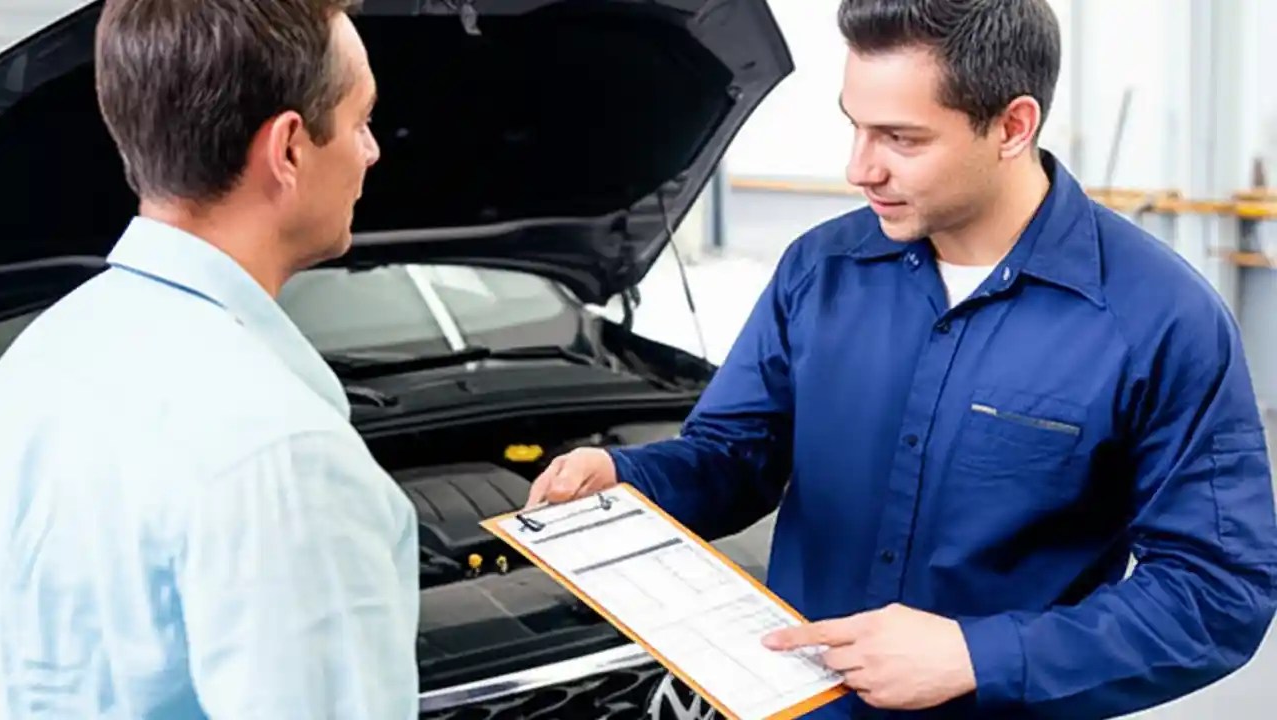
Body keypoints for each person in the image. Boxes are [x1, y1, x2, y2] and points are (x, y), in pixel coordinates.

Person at [527, 0, 1277, 717]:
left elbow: (1216, 594)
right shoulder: (818, 270)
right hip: (800, 707)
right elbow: (736, 453)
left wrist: (978, 657)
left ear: (1012, 126)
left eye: (901, 139)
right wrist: (630, 479)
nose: (860, 169)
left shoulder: (1158, 318)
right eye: (855, 127)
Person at [0, 1, 419, 718]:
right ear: (289, 149)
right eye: (362, 121)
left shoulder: (42, 358)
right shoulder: (285, 459)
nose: (372, 151)